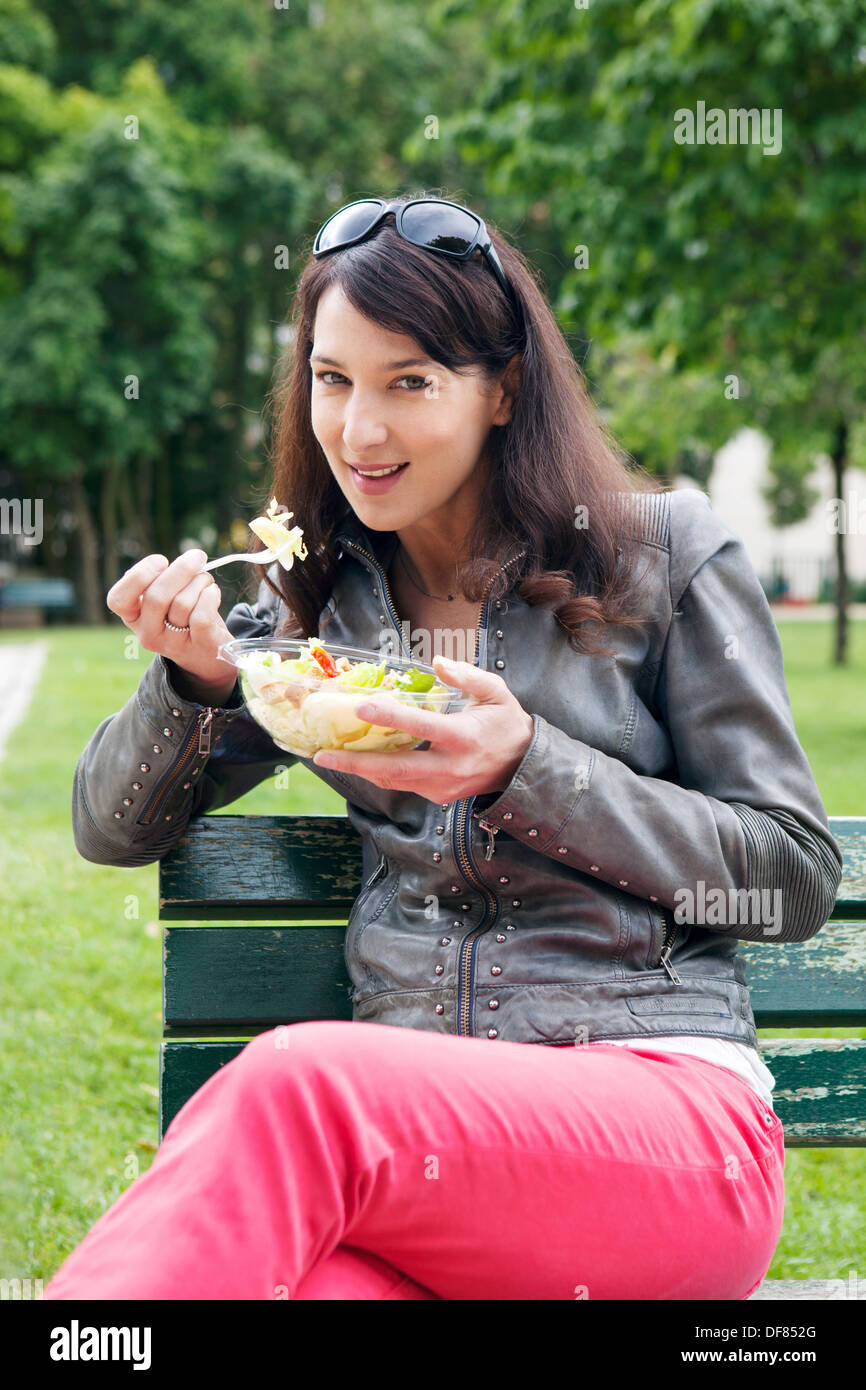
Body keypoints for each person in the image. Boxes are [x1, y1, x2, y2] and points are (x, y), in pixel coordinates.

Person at [45, 194, 843, 1301]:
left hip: (661, 1129)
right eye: (332, 380)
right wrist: (194, 682)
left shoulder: (662, 557)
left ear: (502, 388)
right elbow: (107, 827)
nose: (358, 432)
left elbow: (794, 875)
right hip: (430, 1185)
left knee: (297, 1084)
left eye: (407, 382)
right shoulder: (318, 616)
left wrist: (527, 769)